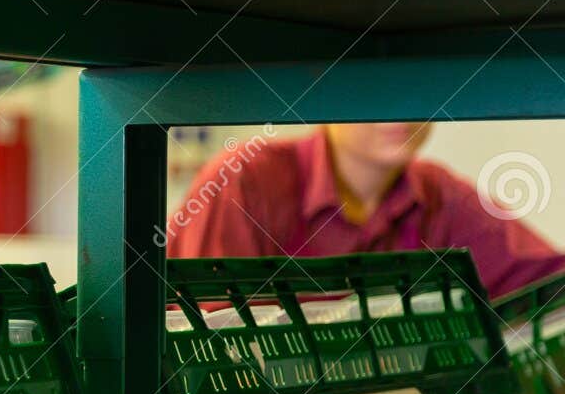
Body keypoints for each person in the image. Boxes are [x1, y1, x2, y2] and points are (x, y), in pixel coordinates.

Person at [166, 122, 565, 297]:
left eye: (418, 81)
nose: (401, 108)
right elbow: (204, 340)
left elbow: (548, 287)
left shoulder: (440, 194)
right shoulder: (243, 180)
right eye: (374, 80)